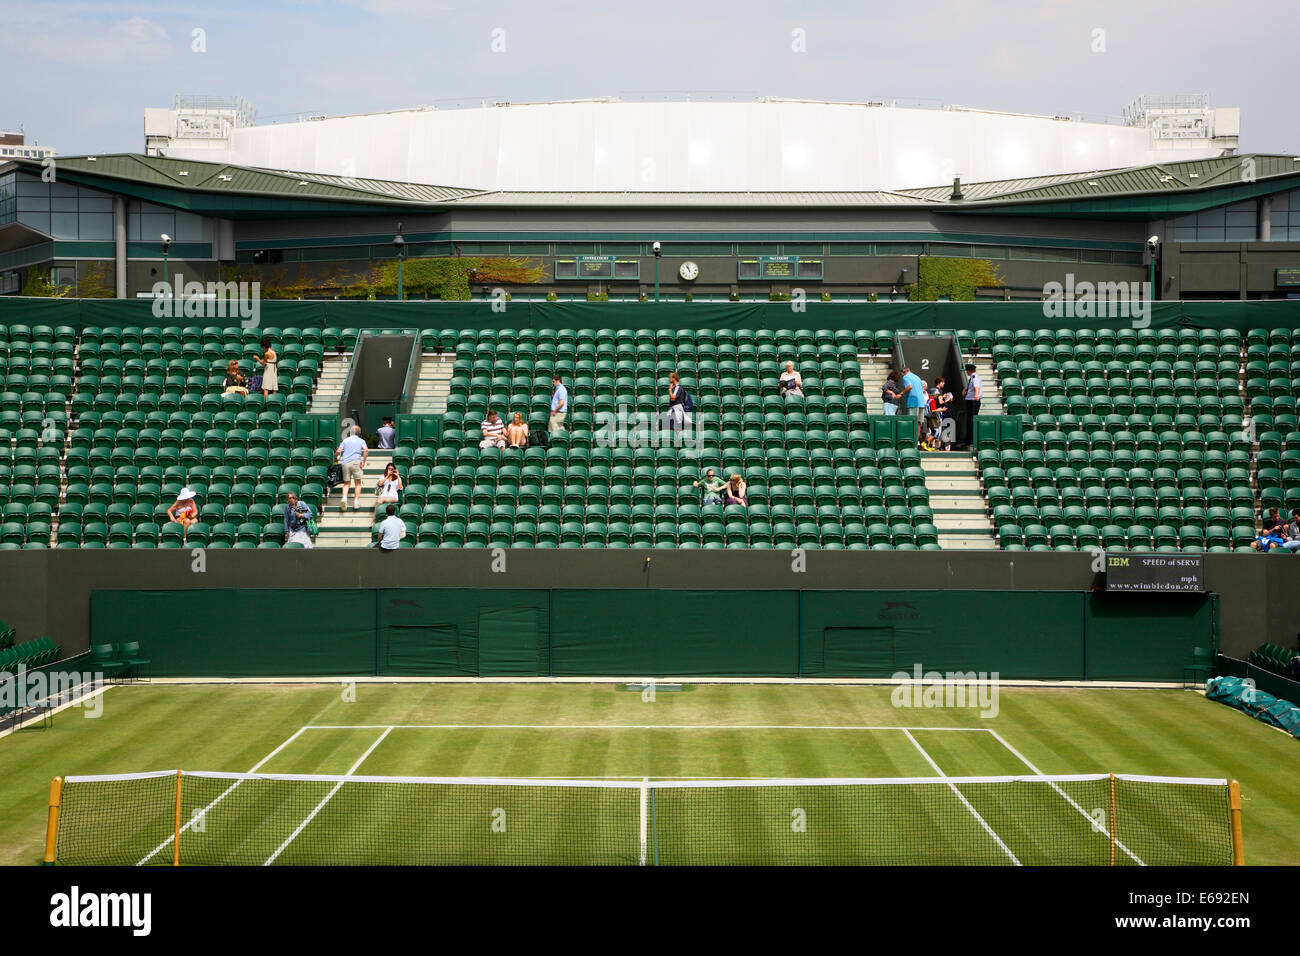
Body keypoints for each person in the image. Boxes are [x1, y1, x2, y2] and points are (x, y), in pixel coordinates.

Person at [335, 425, 368, 511]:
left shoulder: (345, 440)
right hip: (356, 462)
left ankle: (344, 499)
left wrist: (335, 457)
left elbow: (338, 451)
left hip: (345, 463)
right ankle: (356, 502)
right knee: (358, 483)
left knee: (346, 483)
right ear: (359, 433)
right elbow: (366, 450)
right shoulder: (361, 441)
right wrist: (363, 461)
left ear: (351, 432)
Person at [899, 366, 927, 448]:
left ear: (903, 373)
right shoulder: (917, 377)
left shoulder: (905, 377)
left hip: (913, 402)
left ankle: (910, 444)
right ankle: (915, 443)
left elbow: (909, 386)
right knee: (918, 423)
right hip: (921, 402)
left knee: (911, 423)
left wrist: (901, 393)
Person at [960, 362, 982, 450]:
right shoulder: (973, 377)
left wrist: (976, 395)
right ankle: (968, 440)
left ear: (969, 371)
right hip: (970, 400)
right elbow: (972, 386)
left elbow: (976, 387)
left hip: (973, 401)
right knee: (969, 420)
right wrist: (966, 390)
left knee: (971, 421)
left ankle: (970, 440)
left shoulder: (974, 377)